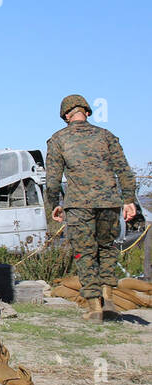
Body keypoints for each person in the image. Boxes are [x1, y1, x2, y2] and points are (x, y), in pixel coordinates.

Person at [45, 94, 138, 320]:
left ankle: (95, 307)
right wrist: (129, 200)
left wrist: (54, 206)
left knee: (84, 253)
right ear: (86, 112)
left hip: (78, 205)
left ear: (65, 116)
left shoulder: (58, 140)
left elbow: (52, 180)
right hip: (110, 203)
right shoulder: (107, 137)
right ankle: (109, 300)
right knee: (107, 249)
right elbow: (124, 171)